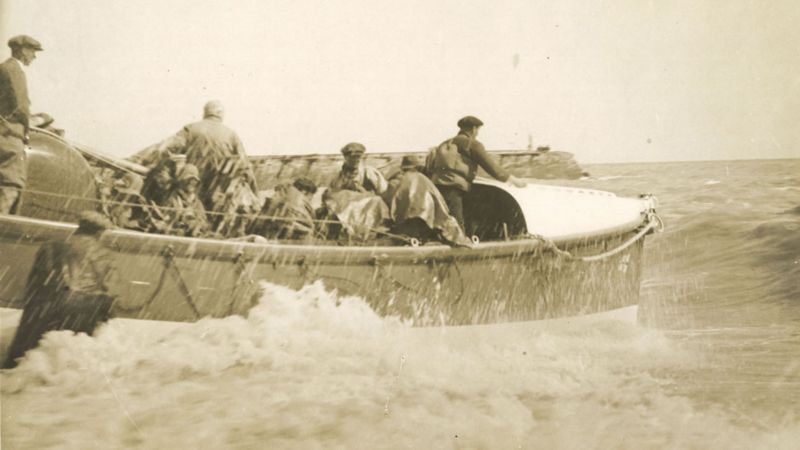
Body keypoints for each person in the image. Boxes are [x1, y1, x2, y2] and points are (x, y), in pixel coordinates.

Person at [3, 211, 118, 369]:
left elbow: (36, 282)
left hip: (46, 309)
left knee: (27, 356)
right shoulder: (104, 254)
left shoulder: (51, 246)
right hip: (83, 312)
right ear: (99, 233)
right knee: (68, 364)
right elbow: (110, 291)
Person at [426, 116, 526, 231]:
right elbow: (493, 169)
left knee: (442, 224)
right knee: (457, 228)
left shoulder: (444, 144)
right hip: (454, 189)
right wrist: (514, 181)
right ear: (474, 129)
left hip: (436, 188)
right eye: (478, 130)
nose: (477, 133)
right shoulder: (472, 144)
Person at [158, 100, 256, 213]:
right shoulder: (231, 134)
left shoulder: (191, 128)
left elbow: (165, 148)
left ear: (205, 112)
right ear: (221, 114)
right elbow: (245, 165)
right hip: (216, 189)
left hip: (191, 185)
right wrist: (255, 193)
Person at [383, 155, 471, 246]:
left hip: (402, 223)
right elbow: (439, 203)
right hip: (424, 220)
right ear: (417, 167)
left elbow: (388, 200)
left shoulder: (396, 180)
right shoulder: (424, 179)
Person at [0, 35, 43, 214]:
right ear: (23, 50)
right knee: (11, 184)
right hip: (10, 135)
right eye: (33, 52)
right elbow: (21, 106)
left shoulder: (4, 68)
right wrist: (30, 124)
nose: (34, 57)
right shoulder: (14, 70)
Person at [250, 177, 318, 240]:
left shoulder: (278, 198)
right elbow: (303, 231)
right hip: (284, 244)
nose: (311, 200)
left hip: (264, 239)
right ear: (304, 192)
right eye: (311, 196)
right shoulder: (296, 205)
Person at [163, 164, 210, 237]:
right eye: (188, 180)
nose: (191, 183)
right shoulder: (172, 199)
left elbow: (204, 223)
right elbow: (165, 223)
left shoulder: (197, 202)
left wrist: (198, 225)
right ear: (181, 181)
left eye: (194, 181)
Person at [136, 158, 177, 233]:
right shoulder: (144, 198)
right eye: (159, 176)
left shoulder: (174, 200)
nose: (159, 181)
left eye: (168, 183)